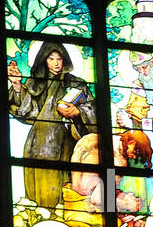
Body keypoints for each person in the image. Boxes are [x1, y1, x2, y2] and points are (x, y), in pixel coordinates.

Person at [8, 40, 97, 209]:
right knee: (39, 184)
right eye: (51, 59)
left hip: (67, 141)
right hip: (38, 143)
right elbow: (25, 111)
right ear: (44, 60)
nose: (56, 63)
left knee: (64, 183)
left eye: (59, 59)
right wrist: (17, 84)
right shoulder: (35, 83)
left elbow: (94, 109)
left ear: (65, 60)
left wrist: (78, 113)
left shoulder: (77, 84)